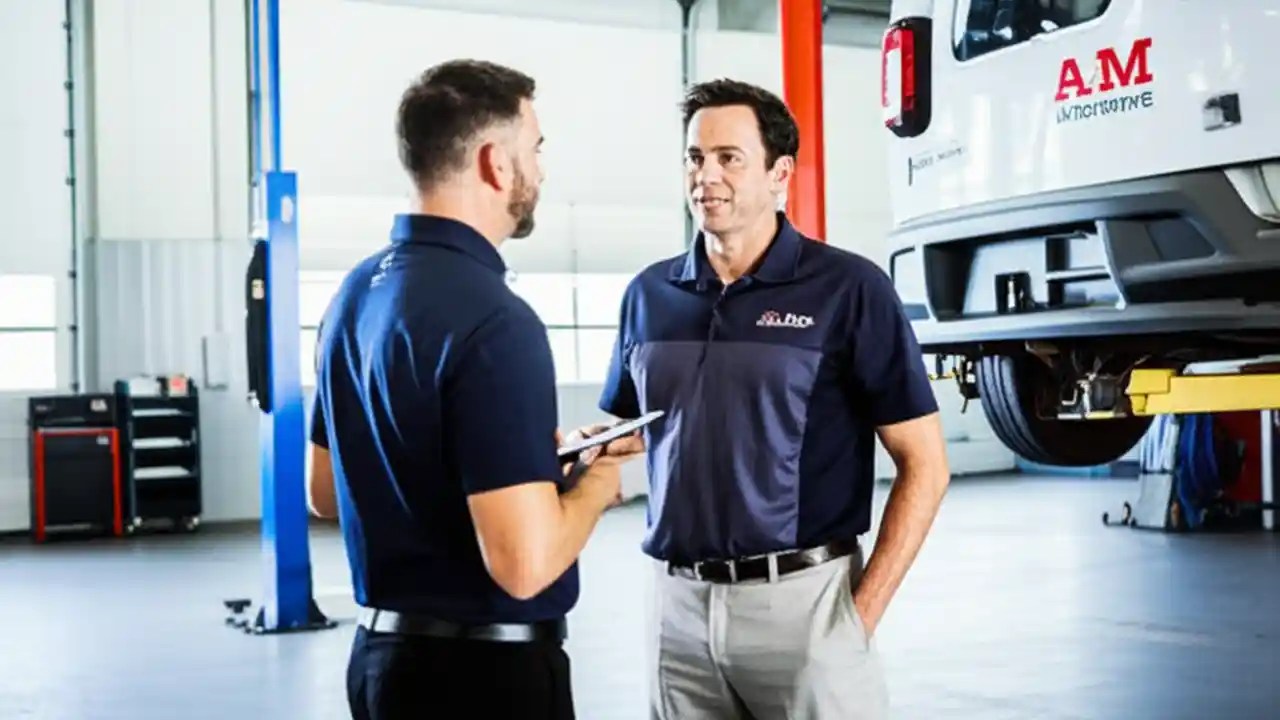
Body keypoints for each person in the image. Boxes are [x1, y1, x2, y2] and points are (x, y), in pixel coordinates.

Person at [596, 78, 952, 719]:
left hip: (805, 606)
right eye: (695, 157)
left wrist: (858, 617)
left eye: (728, 158)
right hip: (677, 614)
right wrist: (574, 449)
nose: (706, 176)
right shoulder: (648, 296)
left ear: (780, 173)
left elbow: (925, 464)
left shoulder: (849, 289)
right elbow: (638, 430)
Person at [306, 59, 642, 720]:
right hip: (482, 681)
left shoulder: (353, 295)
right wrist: (599, 483)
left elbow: (323, 492)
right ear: (494, 162)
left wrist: (529, 472)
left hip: (380, 666)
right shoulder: (496, 320)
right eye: (535, 149)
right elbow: (524, 565)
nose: (540, 170)